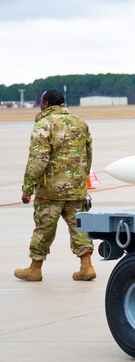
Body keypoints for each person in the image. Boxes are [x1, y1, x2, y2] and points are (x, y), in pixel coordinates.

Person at [15, 90, 95, 282]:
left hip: (50, 190)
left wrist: (27, 188)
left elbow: (38, 160)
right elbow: (88, 154)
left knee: (44, 228)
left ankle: (35, 268)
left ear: (46, 103)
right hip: (76, 188)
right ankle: (87, 266)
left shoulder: (43, 125)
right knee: (79, 227)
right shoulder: (80, 123)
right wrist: (80, 179)